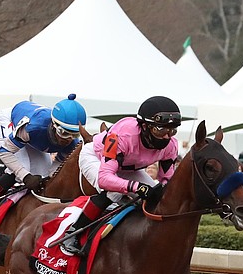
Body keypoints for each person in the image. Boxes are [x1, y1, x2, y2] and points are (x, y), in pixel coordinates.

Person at [61, 95, 181, 254]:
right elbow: (105, 178)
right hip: (95, 158)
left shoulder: (171, 145)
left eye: (171, 130)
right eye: (161, 129)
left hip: (128, 168)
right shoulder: (122, 135)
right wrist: (135, 187)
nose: (167, 136)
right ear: (144, 126)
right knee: (114, 192)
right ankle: (73, 232)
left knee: (157, 197)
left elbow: (166, 181)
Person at [0, 94, 86, 228]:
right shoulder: (33, 128)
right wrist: (25, 176)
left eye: (74, 135)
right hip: (11, 120)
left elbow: (55, 167)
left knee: (42, 173)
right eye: (64, 133)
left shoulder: (72, 143)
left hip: (34, 133)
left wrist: (48, 176)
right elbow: (4, 152)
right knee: (21, 169)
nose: (67, 140)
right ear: (54, 125)